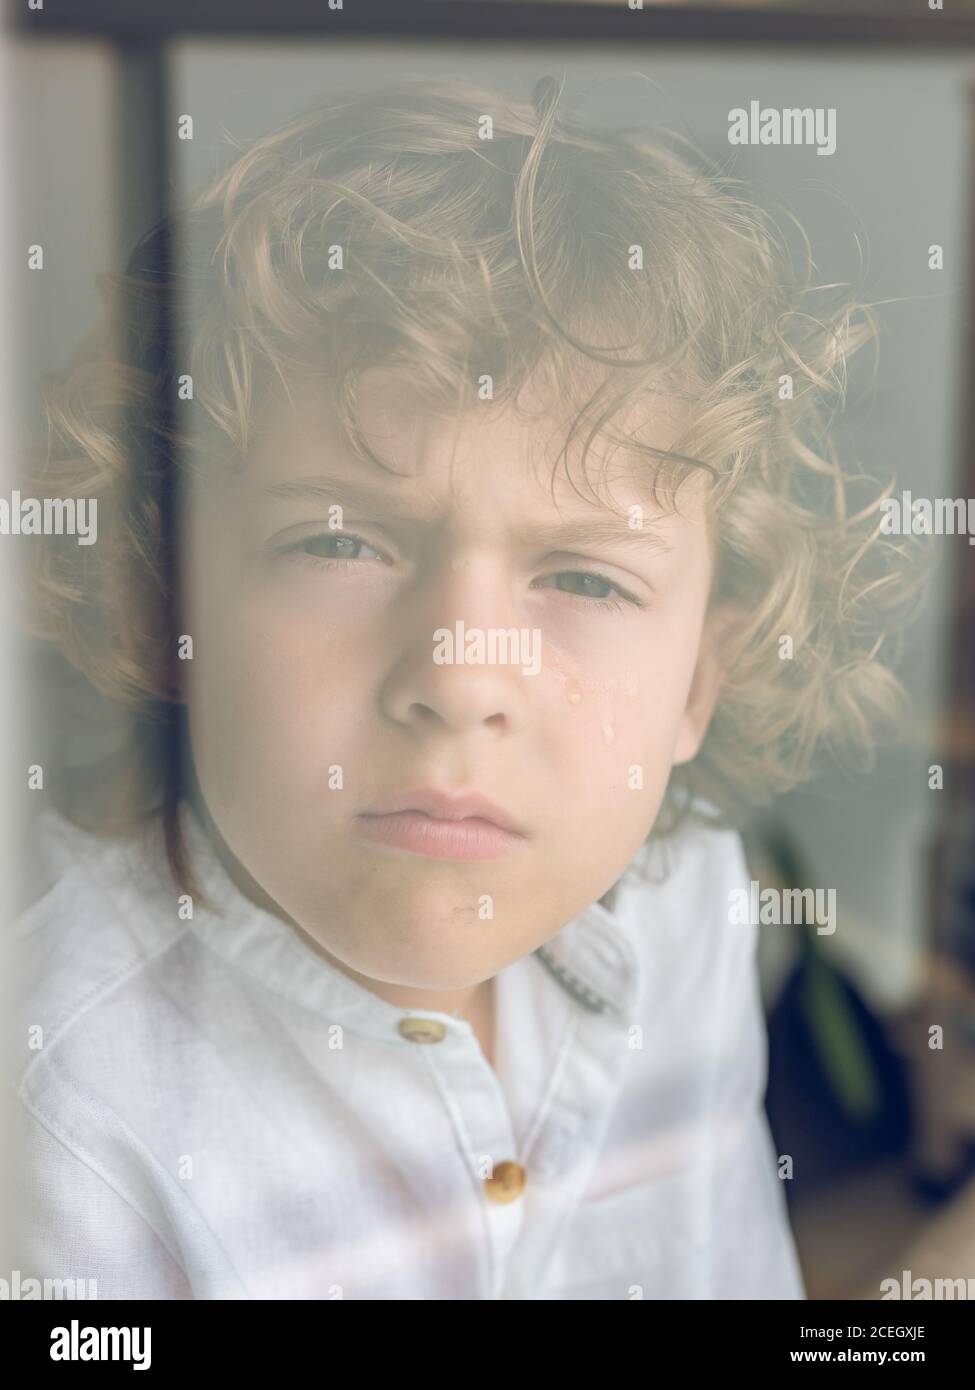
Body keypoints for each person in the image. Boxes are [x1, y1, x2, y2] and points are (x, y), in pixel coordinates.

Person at [8, 75, 913, 1299]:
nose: (460, 679)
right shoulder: (66, 1096)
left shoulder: (683, 903)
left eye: (586, 580)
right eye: (339, 544)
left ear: (700, 677)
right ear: (165, 606)